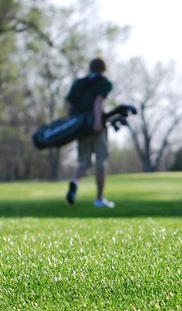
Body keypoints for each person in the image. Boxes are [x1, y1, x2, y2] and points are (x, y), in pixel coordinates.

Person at [65, 58, 114, 208]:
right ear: (104, 69)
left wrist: (76, 123)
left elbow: (68, 105)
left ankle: (75, 181)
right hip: (96, 126)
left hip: (81, 127)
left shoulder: (78, 83)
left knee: (84, 162)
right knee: (101, 162)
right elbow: (98, 101)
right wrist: (98, 122)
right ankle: (99, 199)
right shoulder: (104, 83)